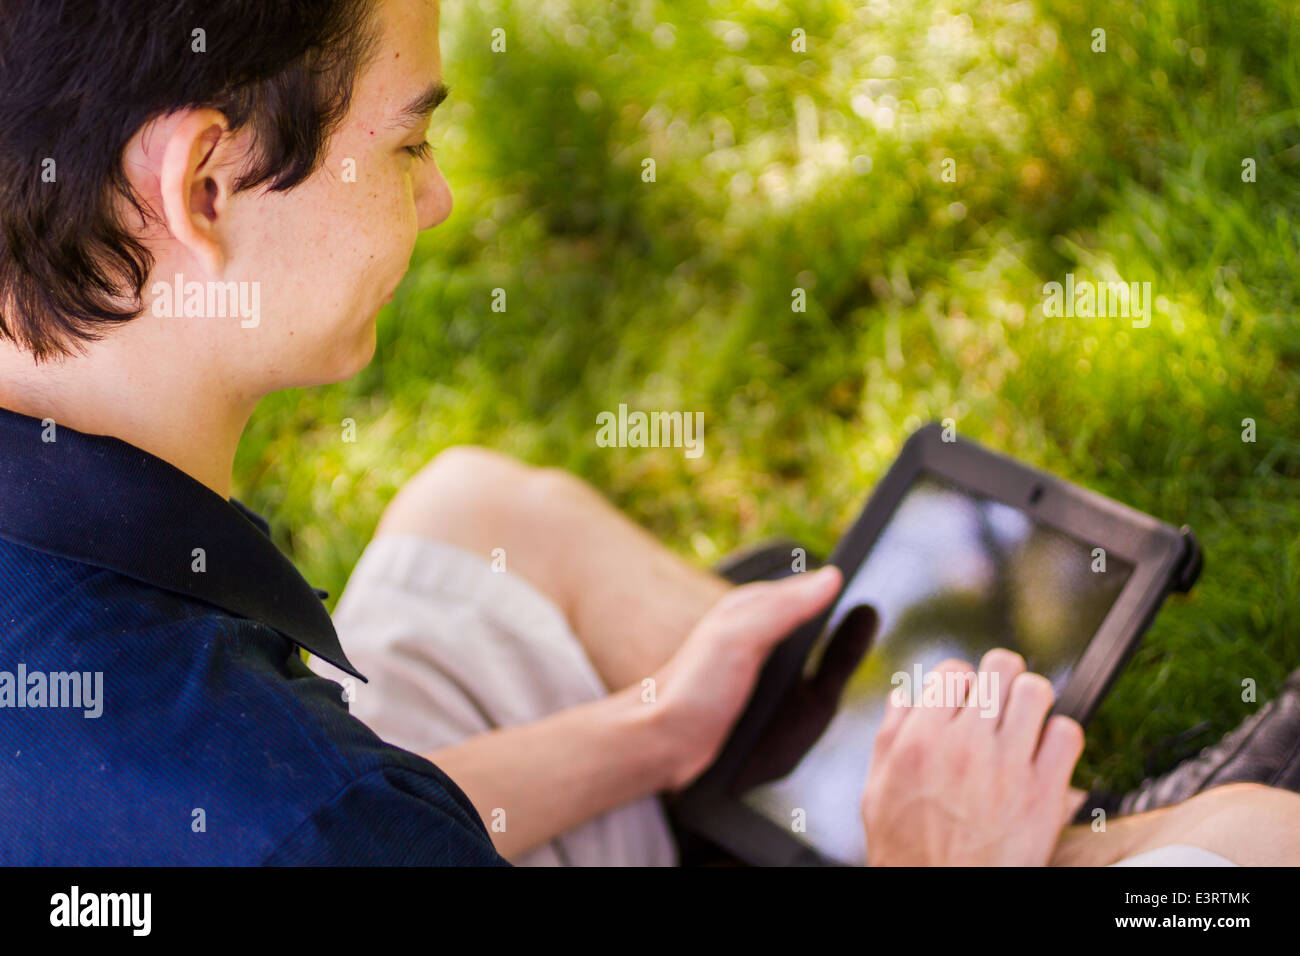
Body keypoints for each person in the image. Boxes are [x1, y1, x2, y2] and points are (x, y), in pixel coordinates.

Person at [0, 0, 1294, 867]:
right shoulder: (303, 817)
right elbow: (325, 819)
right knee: (1242, 850)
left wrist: (654, 729)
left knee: (483, 516)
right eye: (407, 141)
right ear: (205, 184)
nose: (441, 198)